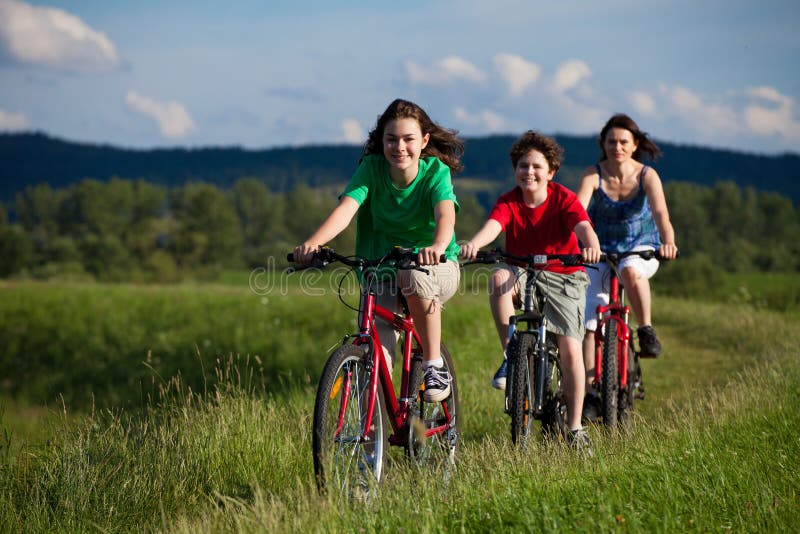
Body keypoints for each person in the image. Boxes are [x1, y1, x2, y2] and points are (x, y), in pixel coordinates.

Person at [293, 98, 462, 403]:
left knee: (412, 275)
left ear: (424, 141)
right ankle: (372, 428)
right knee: (375, 358)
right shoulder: (371, 169)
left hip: (435, 266)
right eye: (391, 139)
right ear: (381, 141)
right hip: (382, 270)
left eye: (408, 139)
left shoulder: (435, 172)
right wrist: (314, 243)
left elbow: (445, 214)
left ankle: (433, 364)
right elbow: (346, 210)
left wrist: (437, 246)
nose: (400, 147)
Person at [460, 130, 601, 450]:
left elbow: (583, 226)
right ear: (515, 170)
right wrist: (474, 244)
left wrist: (591, 246)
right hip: (523, 271)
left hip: (564, 275)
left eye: (537, 166)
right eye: (523, 166)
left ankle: (575, 428)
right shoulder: (509, 201)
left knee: (570, 349)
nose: (529, 172)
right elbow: (494, 226)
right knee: (498, 277)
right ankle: (511, 356)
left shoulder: (563, 198)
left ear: (551, 172)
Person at [576, 113, 679, 416]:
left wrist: (668, 242)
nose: (617, 147)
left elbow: (661, 214)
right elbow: (577, 213)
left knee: (631, 271)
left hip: (640, 246)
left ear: (635, 145)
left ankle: (645, 329)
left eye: (623, 142)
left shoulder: (647, 176)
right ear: (603, 144)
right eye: (611, 141)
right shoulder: (593, 175)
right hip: (598, 250)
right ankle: (591, 392)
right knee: (590, 319)